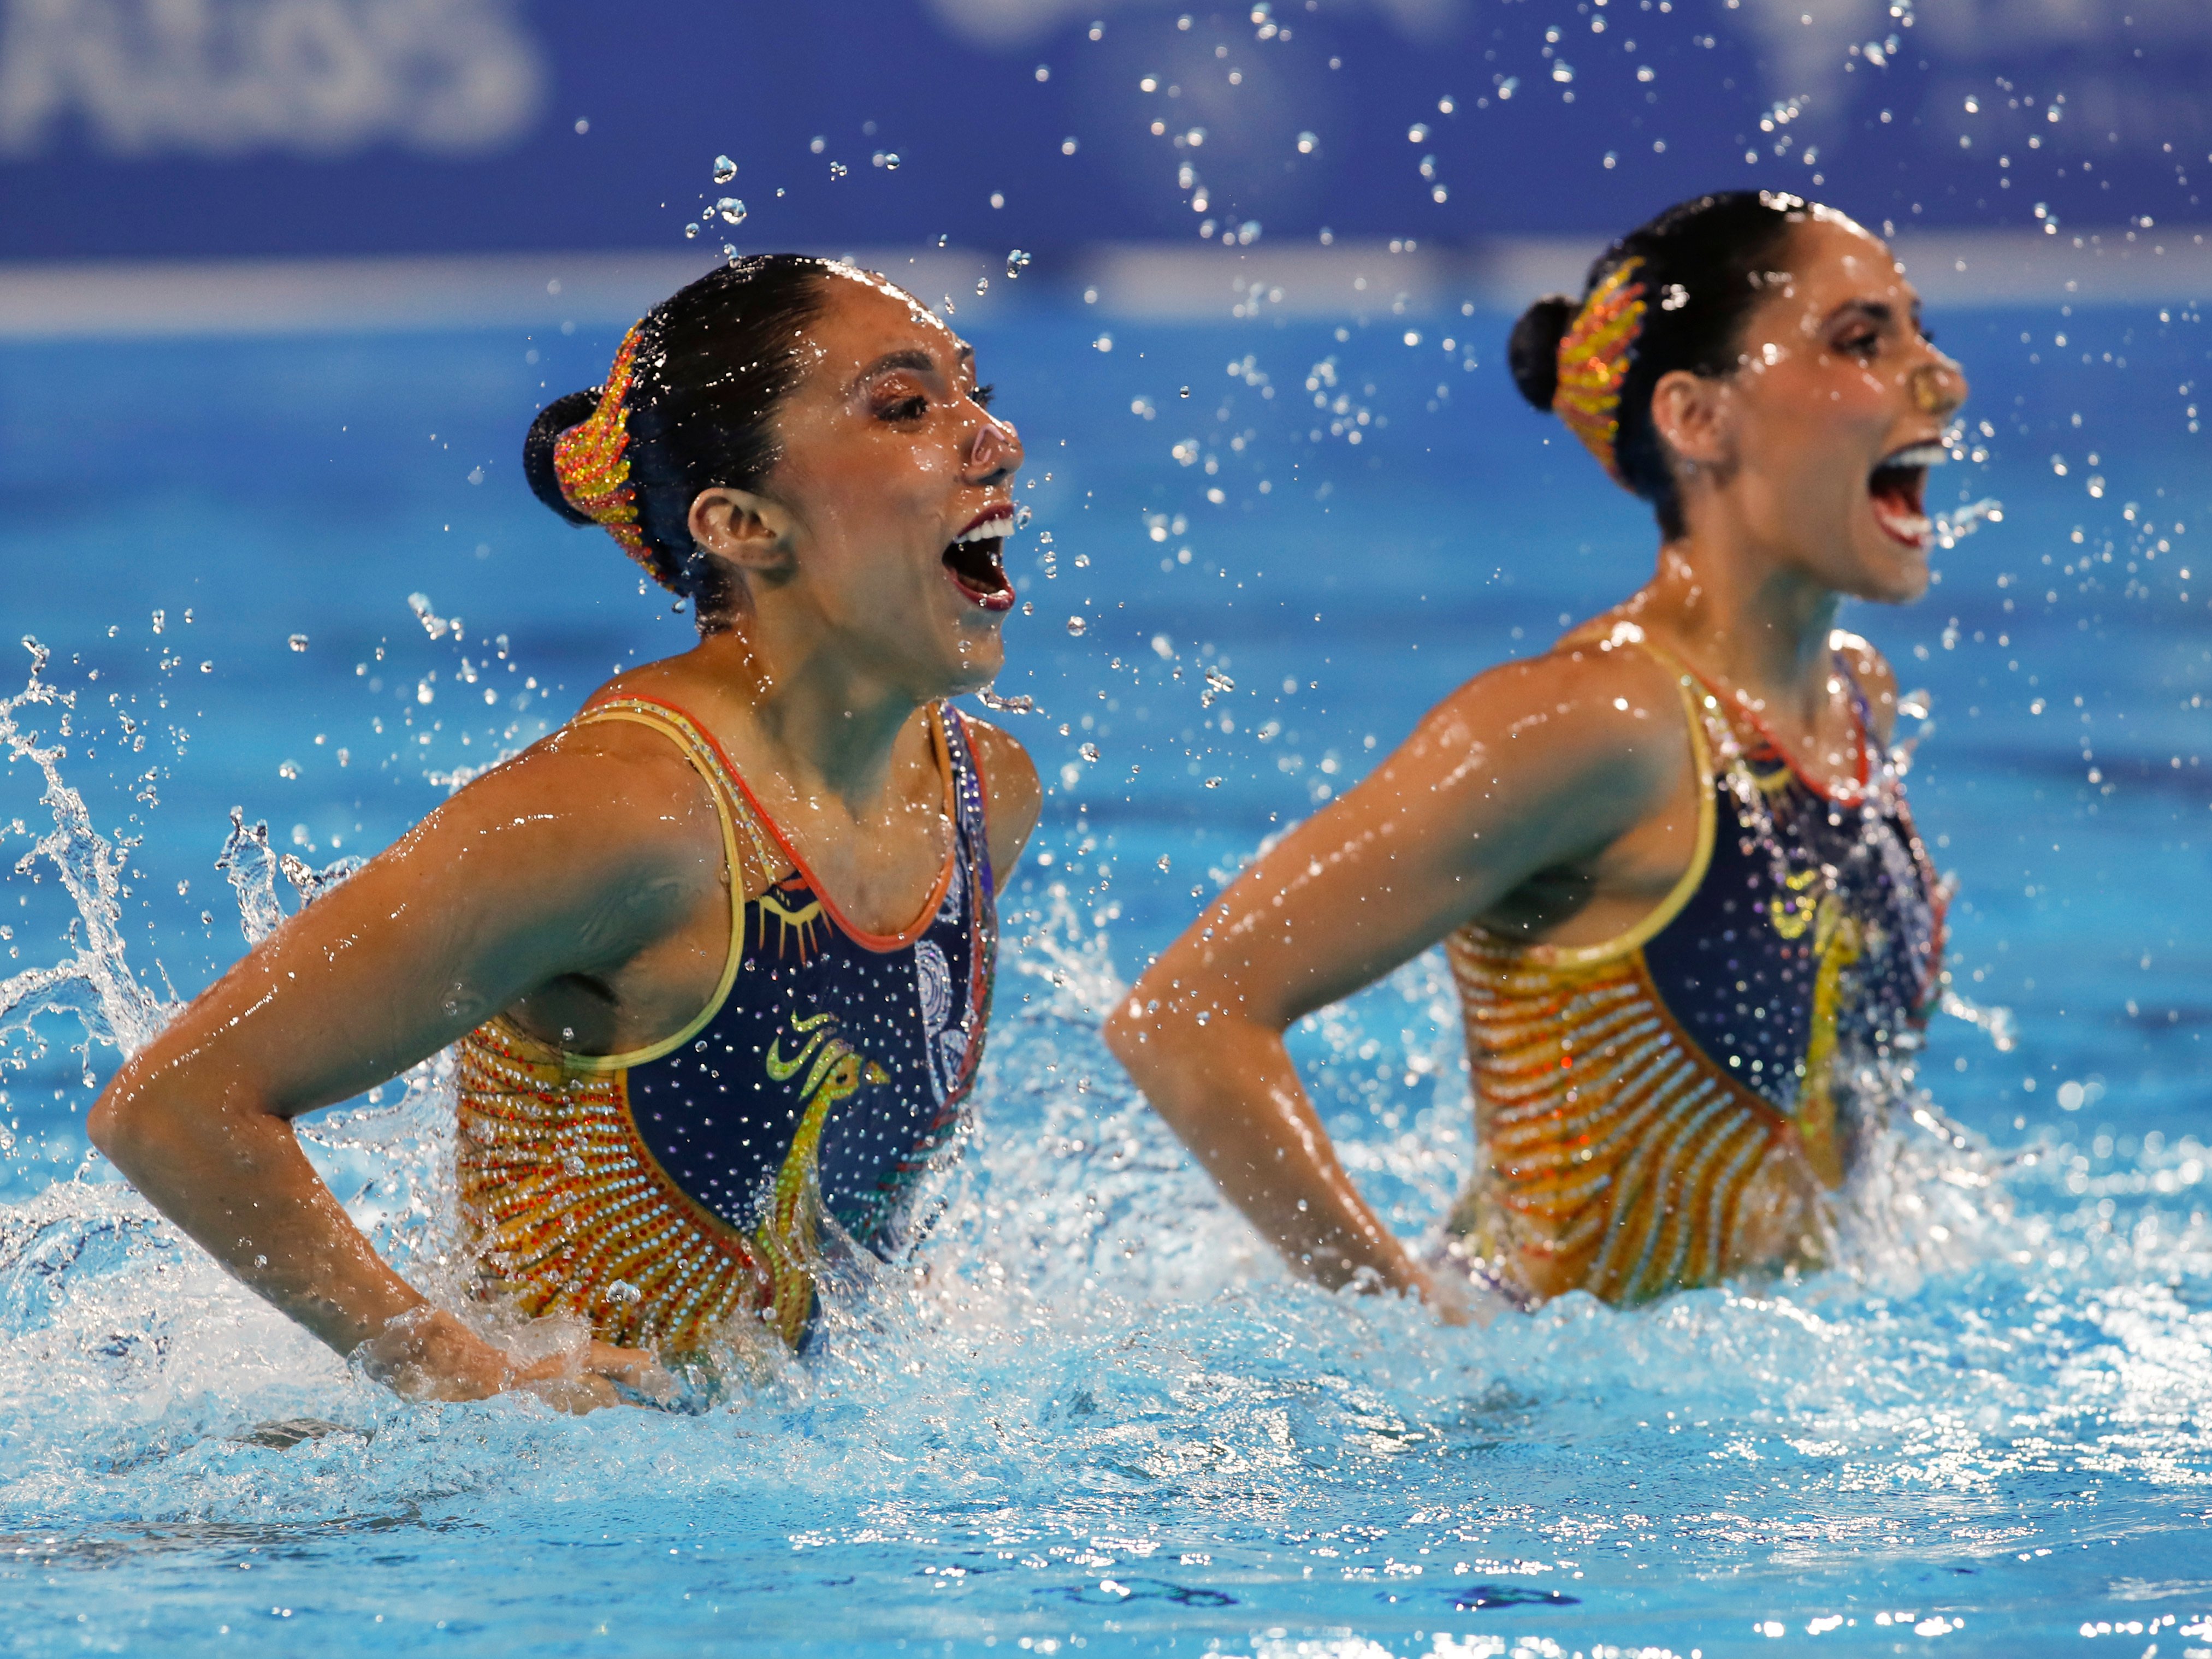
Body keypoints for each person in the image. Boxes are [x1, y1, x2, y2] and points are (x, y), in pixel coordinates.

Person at [90, 256, 1041, 1407]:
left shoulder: (981, 794)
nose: (993, 439)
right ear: (742, 524)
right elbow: (176, 1106)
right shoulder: (619, 815)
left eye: (973, 392)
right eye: (906, 407)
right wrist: (462, 1376)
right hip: (501, 1523)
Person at [1106, 191, 1964, 1313]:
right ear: (1698, 419)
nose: (1939, 376)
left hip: (1753, 1417)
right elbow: (1186, 1017)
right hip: (1543, 1445)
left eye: (1918, 327)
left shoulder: (1859, 699)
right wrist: (1418, 1345)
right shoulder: (1587, 725)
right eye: (1862, 340)